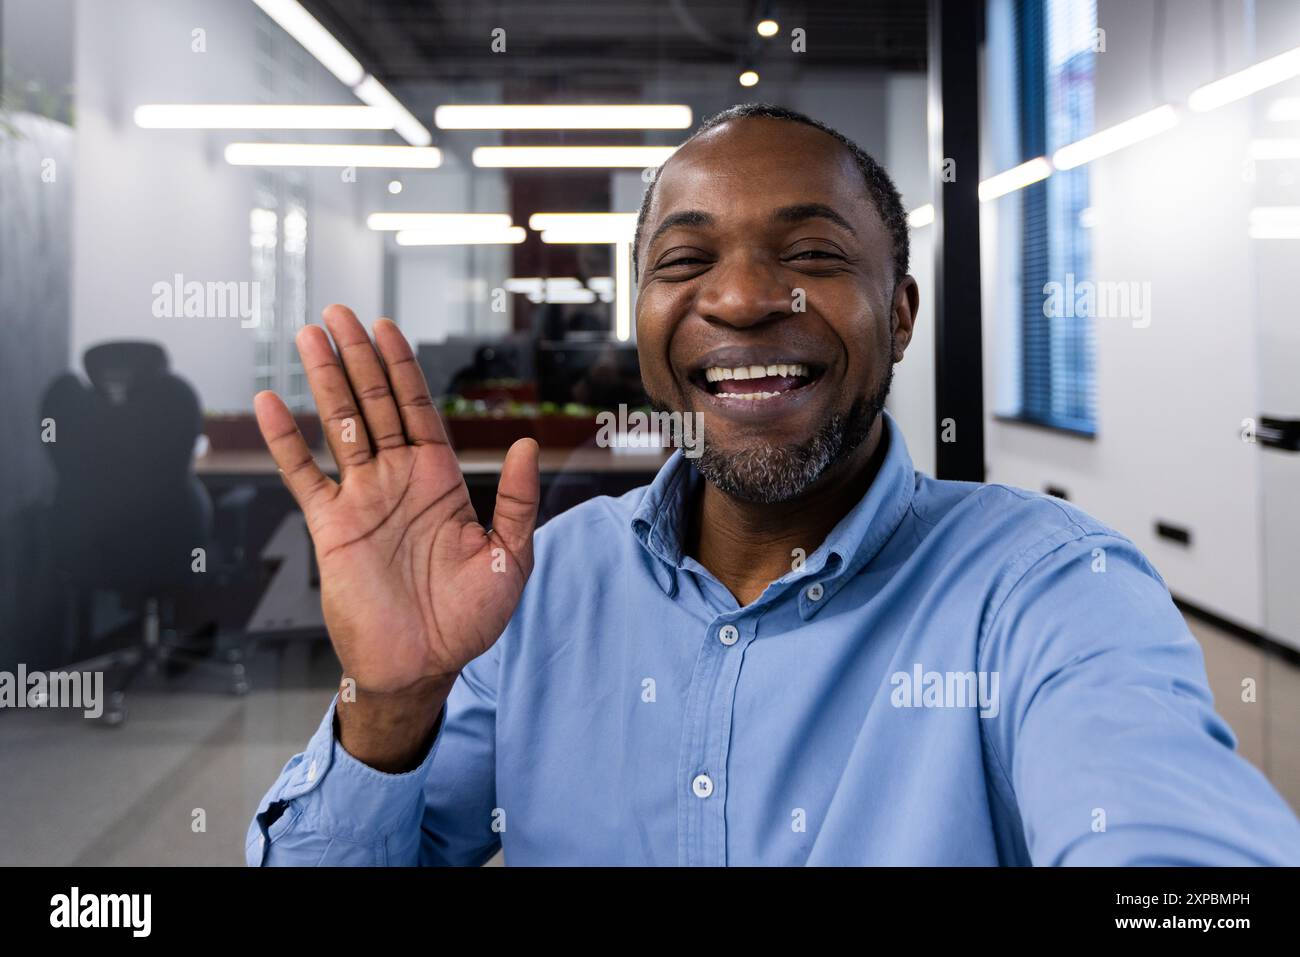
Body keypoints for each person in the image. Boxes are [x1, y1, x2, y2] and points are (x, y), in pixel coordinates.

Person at [246, 104, 1300, 865]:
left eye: (810, 251)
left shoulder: (1048, 590)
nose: (743, 297)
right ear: (643, 319)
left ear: (899, 315)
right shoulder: (541, 583)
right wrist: (387, 707)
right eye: (684, 261)